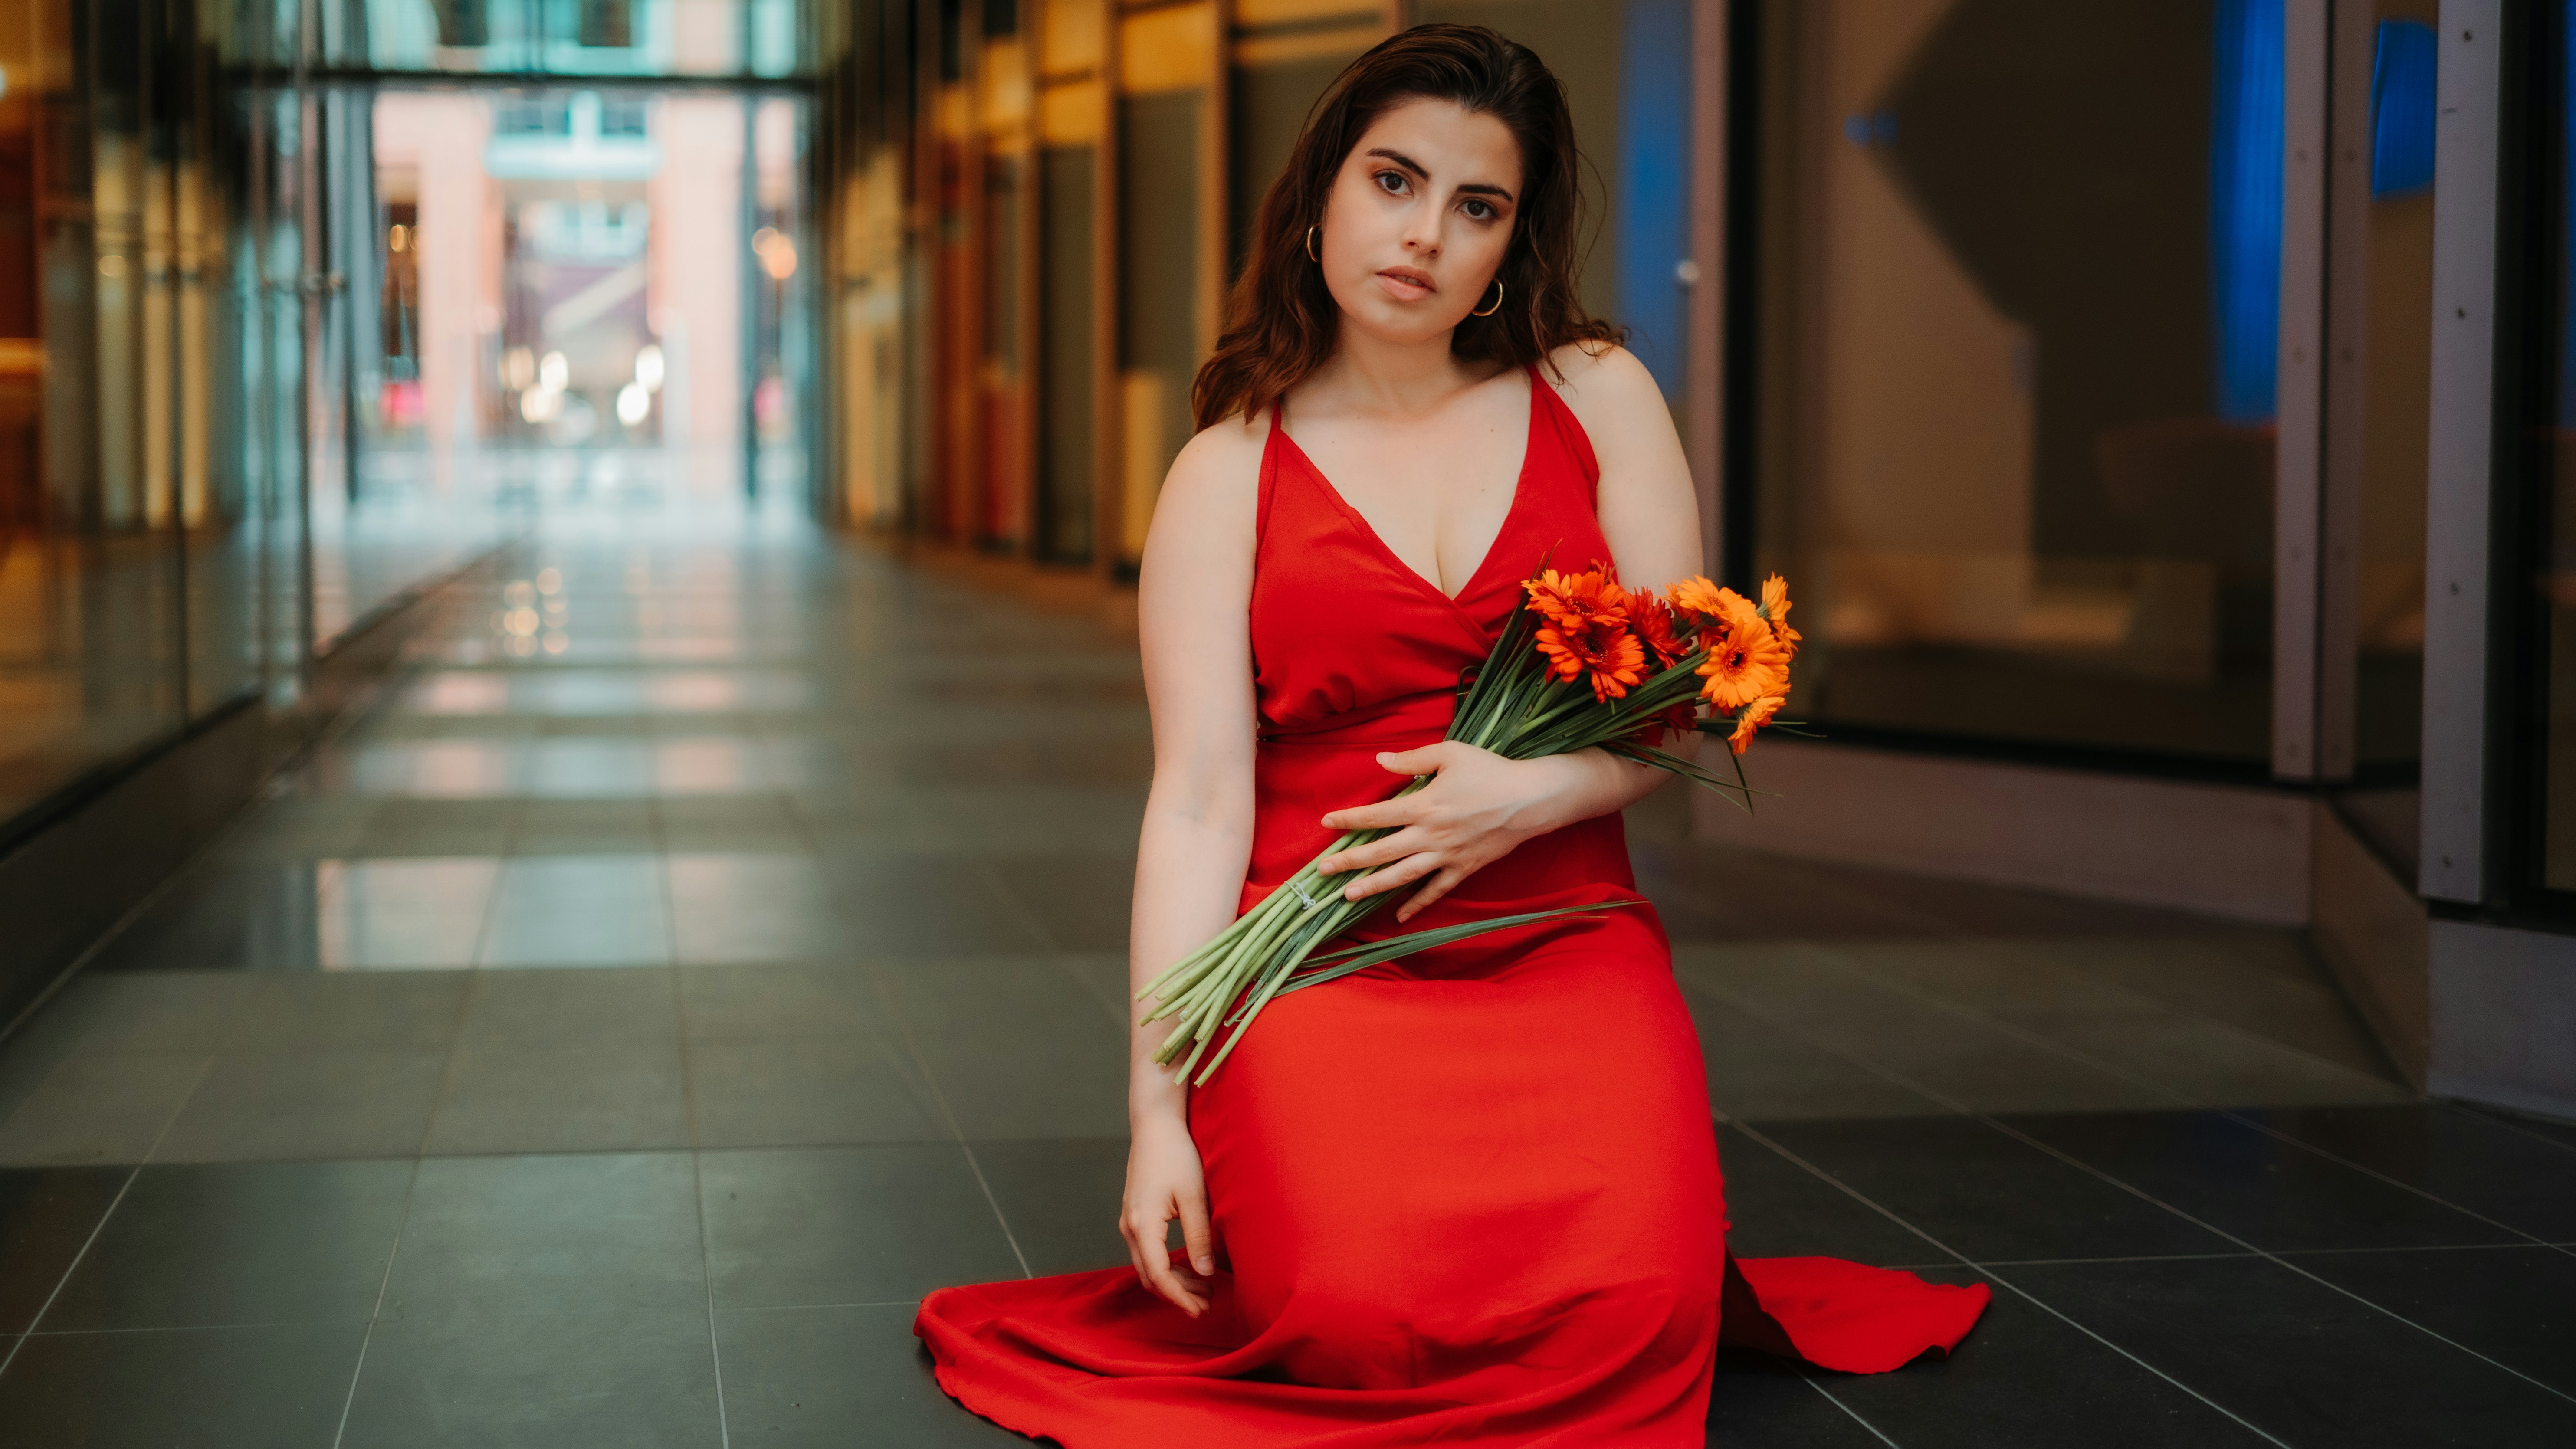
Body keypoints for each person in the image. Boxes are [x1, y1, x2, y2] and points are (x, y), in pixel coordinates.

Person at [917, 25, 1987, 1445]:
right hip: (1320, 953)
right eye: (1394, 180)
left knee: (1636, 1317)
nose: (1424, 235)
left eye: (1476, 207)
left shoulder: (1595, 393)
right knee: (1363, 1319)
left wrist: (1537, 795)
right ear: (1319, 198)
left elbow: (1685, 708)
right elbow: (1193, 803)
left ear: (1510, 244)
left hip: (1563, 933)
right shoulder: (1226, 469)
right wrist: (1154, 1111)